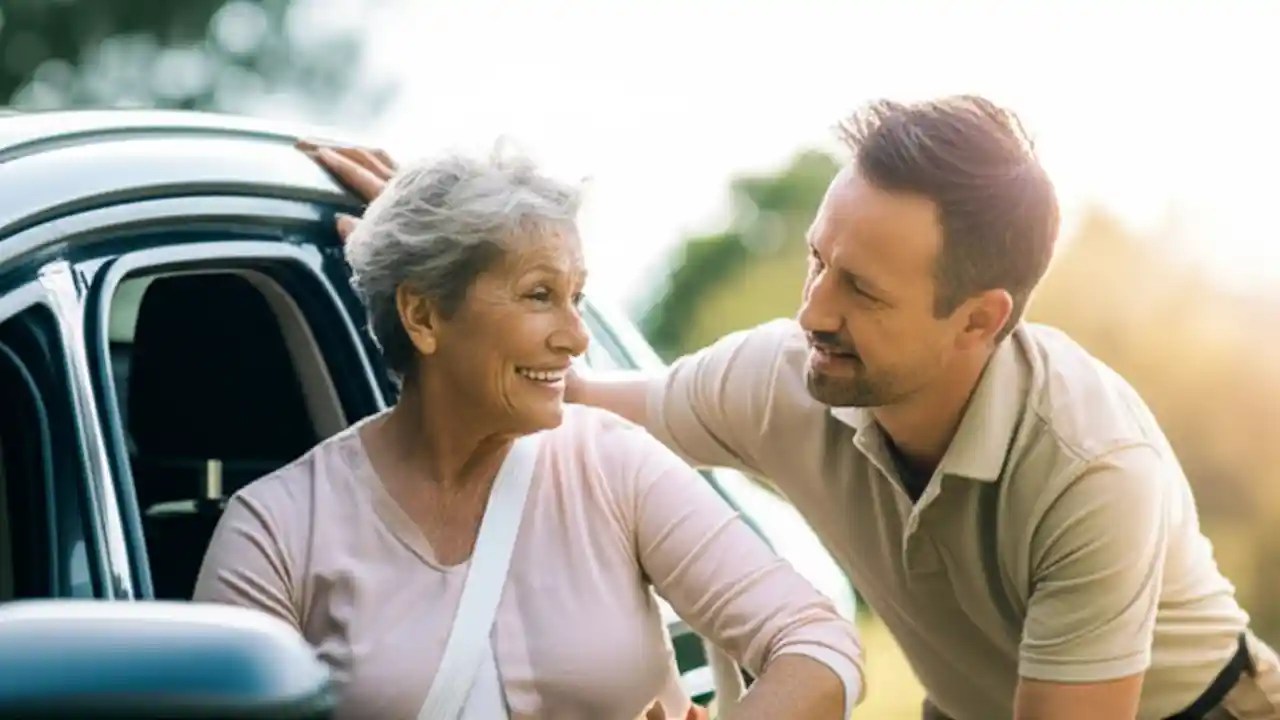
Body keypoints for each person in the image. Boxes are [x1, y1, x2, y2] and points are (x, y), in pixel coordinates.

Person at [311, 95, 1280, 720]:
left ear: (976, 319)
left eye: (861, 290)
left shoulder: (1088, 467)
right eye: (817, 259)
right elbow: (556, 388)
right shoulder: (782, 375)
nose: (811, 311)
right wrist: (452, 258)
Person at [195, 145, 863, 720]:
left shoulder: (612, 465)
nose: (575, 338)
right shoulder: (275, 529)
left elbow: (816, 643)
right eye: (540, 295)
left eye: (577, 297)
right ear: (423, 316)